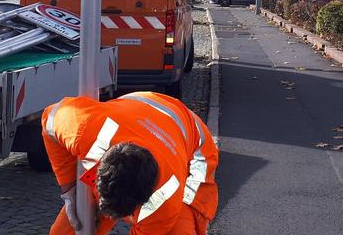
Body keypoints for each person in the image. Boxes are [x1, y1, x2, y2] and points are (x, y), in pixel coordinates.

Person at [41, 91, 218, 235]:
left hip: (194, 151)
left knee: (180, 230)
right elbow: (50, 118)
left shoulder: (165, 201)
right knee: (70, 226)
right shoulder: (86, 128)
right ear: (101, 171)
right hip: (139, 109)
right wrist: (70, 191)